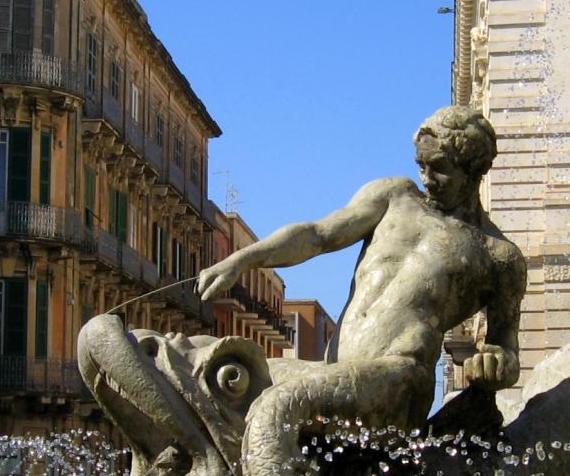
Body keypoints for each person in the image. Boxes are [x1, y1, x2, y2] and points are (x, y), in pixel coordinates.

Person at [197, 106, 526, 429]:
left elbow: (507, 350)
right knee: (215, 373)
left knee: (277, 405)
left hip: (398, 384)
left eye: (439, 168)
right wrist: (242, 260)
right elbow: (317, 235)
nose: (427, 178)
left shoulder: (498, 256)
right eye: (421, 165)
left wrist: (495, 361)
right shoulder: (395, 196)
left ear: (473, 167)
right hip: (334, 374)